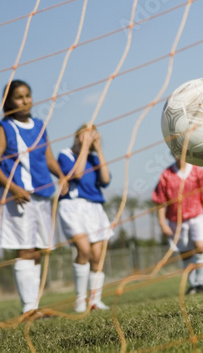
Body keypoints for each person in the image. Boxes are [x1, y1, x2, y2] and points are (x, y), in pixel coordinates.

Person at [0, 80, 69, 317]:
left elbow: (49, 159)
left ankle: (35, 306)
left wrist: (61, 177)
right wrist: (13, 188)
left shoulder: (40, 125)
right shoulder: (3, 128)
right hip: (18, 197)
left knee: (37, 251)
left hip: (42, 196)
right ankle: (28, 309)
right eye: (19, 97)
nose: (25, 101)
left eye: (28, 96)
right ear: (8, 102)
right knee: (24, 250)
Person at [57, 123, 112, 312]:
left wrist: (97, 149)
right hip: (73, 207)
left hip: (94, 208)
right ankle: (80, 300)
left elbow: (105, 180)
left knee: (98, 255)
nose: (88, 138)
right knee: (84, 250)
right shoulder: (65, 155)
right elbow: (77, 174)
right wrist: (85, 148)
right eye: (84, 135)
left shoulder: (95, 158)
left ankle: (95, 300)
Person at [152, 157, 203, 294]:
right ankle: (193, 285)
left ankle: (200, 283)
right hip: (177, 220)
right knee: (185, 252)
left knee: (200, 246)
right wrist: (162, 223)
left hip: (197, 215)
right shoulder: (166, 174)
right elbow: (160, 201)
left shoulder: (198, 171)